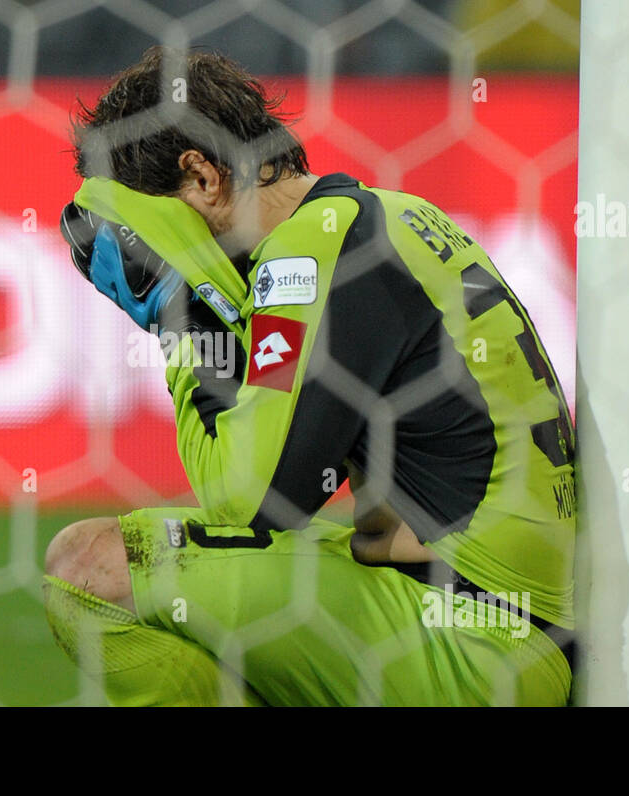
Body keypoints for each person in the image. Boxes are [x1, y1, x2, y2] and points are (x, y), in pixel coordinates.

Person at [43, 46, 576, 706]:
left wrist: (180, 321)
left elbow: (253, 501)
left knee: (86, 565)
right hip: (508, 620)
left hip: (473, 644)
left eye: (139, 228)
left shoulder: (309, 253)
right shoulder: (367, 220)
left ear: (202, 176)